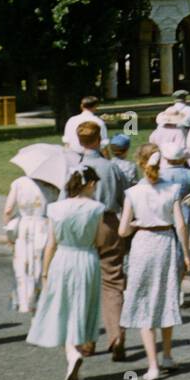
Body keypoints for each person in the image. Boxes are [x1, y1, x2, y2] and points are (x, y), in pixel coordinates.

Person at [27, 165, 105, 380]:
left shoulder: (55, 209)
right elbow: (99, 241)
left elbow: (51, 243)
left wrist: (44, 271)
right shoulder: (96, 208)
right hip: (87, 259)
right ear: (89, 184)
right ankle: (75, 352)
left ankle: (71, 354)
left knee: (64, 308)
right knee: (81, 307)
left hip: (63, 259)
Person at [119, 144, 190, 380]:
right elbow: (180, 224)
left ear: (140, 163)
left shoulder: (133, 193)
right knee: (166, 295)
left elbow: (122, 231)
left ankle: (153, 365)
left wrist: (137, 222)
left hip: (143, 243)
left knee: (144, 301)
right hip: (166, 243)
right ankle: (167, 354)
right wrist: (187, 254)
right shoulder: (172, 189)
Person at [63, 120, 126, 360]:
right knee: (113, 281)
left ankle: (86, 340)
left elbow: (63, 199)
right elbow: (123, 197)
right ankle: (116, 333)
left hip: (81, 223)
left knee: (83, 283)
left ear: (79, 142)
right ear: (99, 140)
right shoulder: (112, 167)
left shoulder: (75, 169)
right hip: (107, 221)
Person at [3, 172, 59, 314]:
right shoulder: (52, 186)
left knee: (23, 266)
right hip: (44, 226)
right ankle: (39, 304)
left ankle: (25, 300)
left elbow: (8, 210)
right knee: (41, 266)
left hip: (24, 227)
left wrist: (9, 232)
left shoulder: (18, 182)